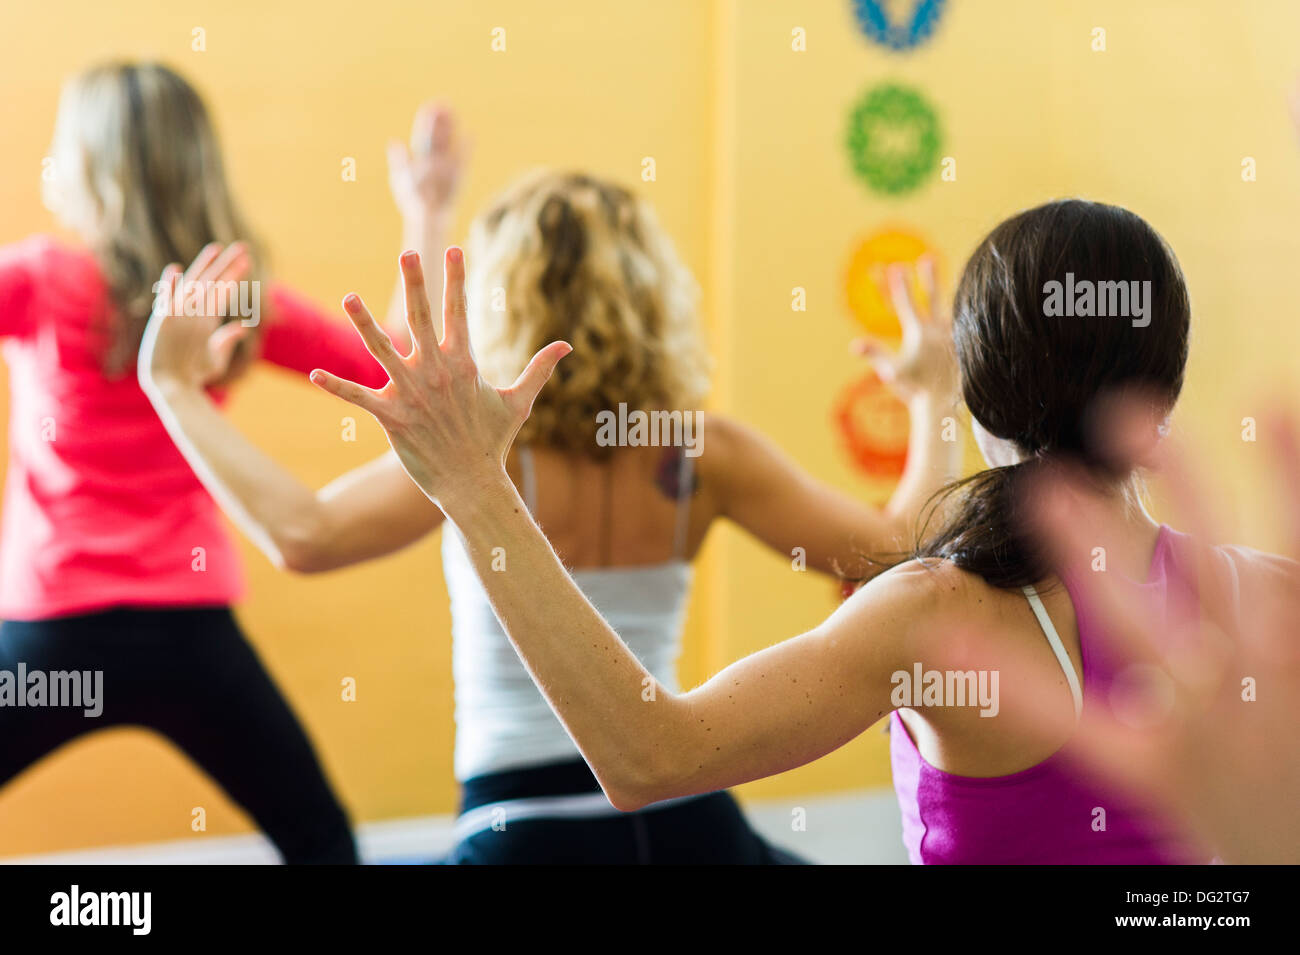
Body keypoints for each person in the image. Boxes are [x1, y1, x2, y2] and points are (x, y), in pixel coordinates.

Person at [313, 199, 1296, 864]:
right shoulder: (1270, 597)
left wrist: (475, 490)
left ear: (978, 383)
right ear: (1162, 390)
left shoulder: (928, 616)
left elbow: (649, 755)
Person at [138, 167, 961, 863]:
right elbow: (898, 549)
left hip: (516, 826)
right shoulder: (697, 453)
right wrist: (935, 399)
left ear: (507, 300)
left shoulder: (477, 454)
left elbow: (305, 534)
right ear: (652, 296)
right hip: (684, 823)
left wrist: (174, 388)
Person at [0, 63, 445, 864]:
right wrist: (426, 210)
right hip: (189, 635)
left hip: (50, 636)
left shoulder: (36, 278)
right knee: (323, 843)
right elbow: (400, 368)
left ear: (90, 167)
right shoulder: (236, 297)